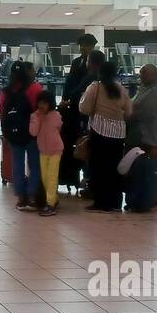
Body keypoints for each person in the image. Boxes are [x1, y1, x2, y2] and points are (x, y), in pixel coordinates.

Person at [78, 50, 132, 213]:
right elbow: (129, 112)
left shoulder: (95, 87)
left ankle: (101, 203)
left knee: (98, 168)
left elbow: (84, 108)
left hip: (99, 132)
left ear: (100, 72)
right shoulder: (121, 89)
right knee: (114, 168)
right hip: (118, 134)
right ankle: (115, 203)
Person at [1, 60, 44, 210]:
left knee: (17, 165)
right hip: (31, 133)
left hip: (13, 133)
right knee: (34, 165)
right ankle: (31, 196)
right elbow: (39, 110)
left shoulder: (5, 91)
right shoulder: (34, 88)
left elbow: (3, 113)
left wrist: (5, 133)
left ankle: (20, 198)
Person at [61, 34, 97, 194]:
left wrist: (72, 98)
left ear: (92, 47)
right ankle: (72, 176)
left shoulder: (95, 67)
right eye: (81, 45)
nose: (83, 48)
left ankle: (88, 178)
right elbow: (69, 82)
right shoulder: (76, 62)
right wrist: (65, 100)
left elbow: (84, 87)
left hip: (85, 110)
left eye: (86, 45)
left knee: (85, 143)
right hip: (72, 110)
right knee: (72, 142)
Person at [126, 64, 157, 207]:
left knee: (152, 168)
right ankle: (150, 196)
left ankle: (153, 197)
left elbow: (145, 112)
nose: (141, 76)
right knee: (145, 169)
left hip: (150, 136)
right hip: (140, 135)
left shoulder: (156, 92)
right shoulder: (144, 89)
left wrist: (128, 115)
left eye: (145, 73)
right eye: (141, 73)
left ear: (154, 75)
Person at [30, 91, 64, 216]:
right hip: (43, 151)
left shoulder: (56, 115)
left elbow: (59, 128)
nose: (42, 106)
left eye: (45, 103)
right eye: (40, 103)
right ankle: (53, 199)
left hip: (56, 150)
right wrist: (37, 119)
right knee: (45, 178)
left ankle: (50, 204)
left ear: (50, 104)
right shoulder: (35, 116)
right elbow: (33, 132)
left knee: (52, 176)